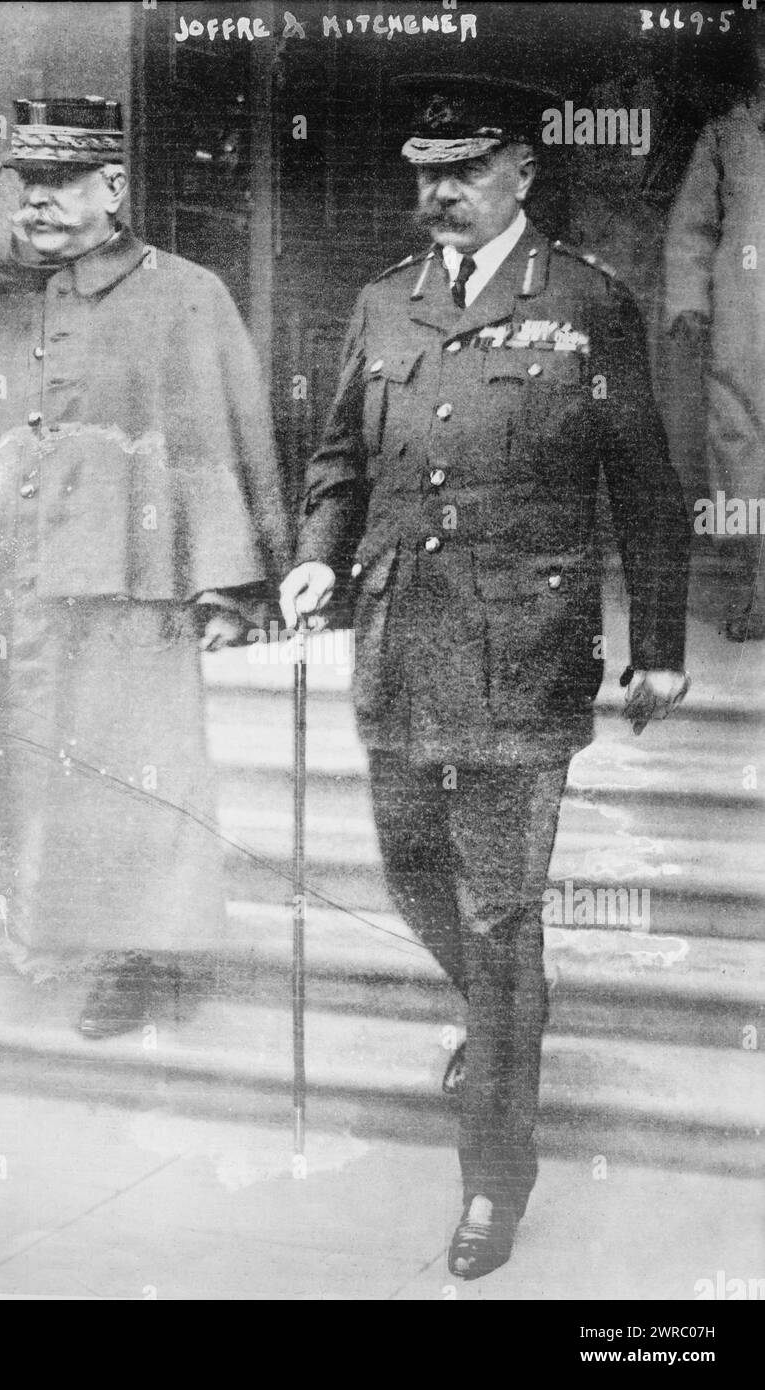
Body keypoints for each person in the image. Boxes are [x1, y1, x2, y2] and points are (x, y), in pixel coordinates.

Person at [279, 75, 691, 1280]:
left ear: (523, 171)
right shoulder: (384, 302)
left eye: (461, 170)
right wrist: (315, 557)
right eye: (423, 172)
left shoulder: (586, 302)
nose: (438, 193)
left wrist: (659, 648)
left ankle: (491, 1181)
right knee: (412, 863)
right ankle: (510, 1014)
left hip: (523, 652)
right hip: (402, 640)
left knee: (504, 915)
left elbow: (648, 488)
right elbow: (340, 457)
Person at [0, 98, 290, 1033]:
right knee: (8, 764)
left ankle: (143, 958)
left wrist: (228, 582)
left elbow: (220, 432)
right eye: (26, 184)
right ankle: (38, 932)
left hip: (128, 580)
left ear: (115, 188)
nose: (37, 203)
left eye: (60, 183)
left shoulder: (184, 291)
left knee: (135, 773)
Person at [663, 26, 765, 641]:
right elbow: (692, 229)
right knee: (743, 458)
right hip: (744, 329)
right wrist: (688, 302)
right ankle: (761, 590)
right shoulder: (729, 135)